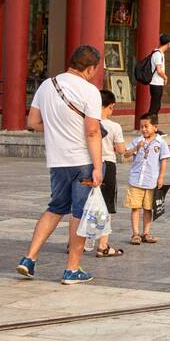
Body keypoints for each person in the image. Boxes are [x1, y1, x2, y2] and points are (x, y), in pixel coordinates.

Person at [17, 45, 105, 285]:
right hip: (82, 162)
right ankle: (72, 269)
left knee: (55, 207)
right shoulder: (90, 91)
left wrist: (56, 129)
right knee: (79, 213)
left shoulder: (47, 85)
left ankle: (29, 258)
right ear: (90, 68)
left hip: (57, 161)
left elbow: (33, 122)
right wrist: (98, 167)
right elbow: (93, 131)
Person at [125, 112, 170, 243]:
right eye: (141, 127)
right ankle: (135, 234)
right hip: (136, 180)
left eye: (146, 126)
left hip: (151, 181)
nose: (144, 129)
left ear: (155, 127)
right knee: (135, 207)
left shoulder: (161, 143)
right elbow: (126, 155)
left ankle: (146, 232)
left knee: (147, 208)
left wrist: (161, 177)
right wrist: (135, 148)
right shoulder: (137, 141)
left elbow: (163, 161)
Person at [94, 89, 125, 259]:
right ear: (111, 106)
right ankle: (103, 245)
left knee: (83, 205)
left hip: (90, 164)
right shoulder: (114, 126)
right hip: (108, 166)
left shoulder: (88, 122)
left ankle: (76, 243)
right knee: (106, 206)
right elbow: (121, 149)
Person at [147, 32, 170, 119]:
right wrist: (165, 77)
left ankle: (153, 126)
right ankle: (150, 126)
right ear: (168, 43)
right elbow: (159, 70)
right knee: (154, 107)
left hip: (158, 83)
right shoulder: (157, 54)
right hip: (156, 83)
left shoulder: (160, 54)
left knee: (156, 106)